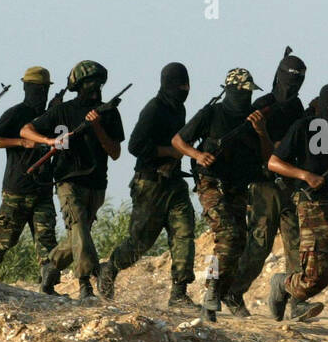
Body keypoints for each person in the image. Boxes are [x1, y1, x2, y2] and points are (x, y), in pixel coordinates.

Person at [172, 68, 282, 322]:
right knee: (228, 237)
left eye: (248, 93)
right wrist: (198, 155)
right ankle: (211, 291)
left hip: (238, 188)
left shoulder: (253, 121)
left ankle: (220, 295)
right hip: (211, 183)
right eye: (241, 92)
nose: (245, 97)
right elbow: (178, 140)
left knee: (239, 244)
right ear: (230, 90)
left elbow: (268, 159)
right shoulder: (212, 114)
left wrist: (262, 131)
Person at [266, 81, 328, 342]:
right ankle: (283, 285)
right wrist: (305, 175)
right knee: (317, 275)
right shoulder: (303, 127)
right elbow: (274, 162)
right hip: (313, 206)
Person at [21, 61, 125, 301]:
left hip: (97, 183)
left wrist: (97, 126)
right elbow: (25, 131)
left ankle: (50, 265)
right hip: (68, 181)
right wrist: (50, 142)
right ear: (79, 85)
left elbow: (115, 152)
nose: (95, 87)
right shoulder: (62, 111)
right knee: (79, 227)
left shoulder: (108, 112)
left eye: (99, 82)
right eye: (90, 82)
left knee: (79, 235)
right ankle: (86, 284)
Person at [98, 62, 198, 308]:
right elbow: (135, 146)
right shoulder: (154, 109)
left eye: (187, 85)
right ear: (168, 85)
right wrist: (170, 151)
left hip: (174, 183)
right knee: (139, 243)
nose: (184, 89)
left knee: (184, 234)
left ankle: (179, 293)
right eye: (180, 85)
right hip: (150, 184)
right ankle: (109, 270)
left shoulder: (179, 109)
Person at [225, 47, 308, 316]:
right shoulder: (261, 107)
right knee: (258, 247)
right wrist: (265, 135)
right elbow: (260, 154)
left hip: (291, 186)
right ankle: (232, 293)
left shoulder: (296, 107)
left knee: (297, 246)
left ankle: (296, 299)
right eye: (289, 80)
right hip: (265, 185)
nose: (291, 87)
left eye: (296, 81)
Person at [0, 67, 59, 285]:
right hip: (17, 188)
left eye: (44, 89)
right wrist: (21, 142)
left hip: (43, 189)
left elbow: (64, 145)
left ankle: (47, 285)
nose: (40, 93)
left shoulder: (53, 115)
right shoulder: (15, 114)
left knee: (47, 241)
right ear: (27, 88)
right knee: (5, 241)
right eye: (37, 89)